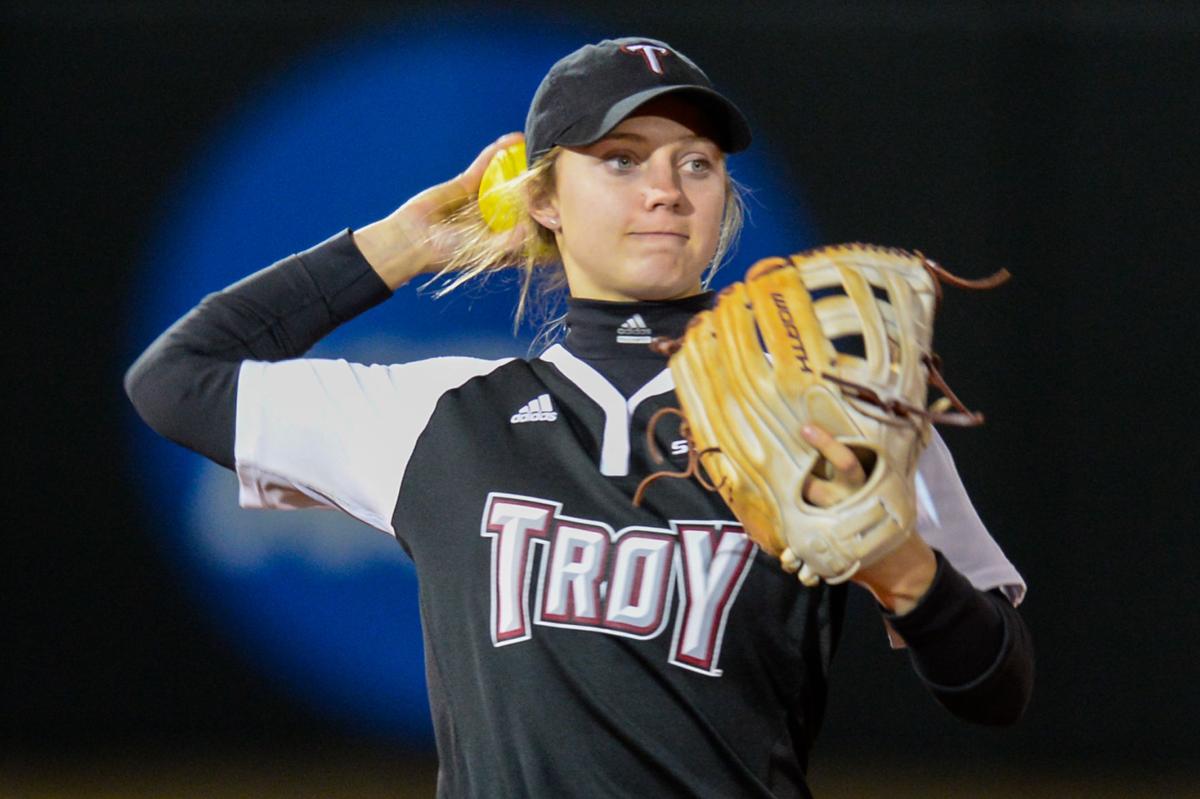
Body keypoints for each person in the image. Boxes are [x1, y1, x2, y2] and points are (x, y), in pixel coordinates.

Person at [126, 36, 1032, 798]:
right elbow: (176, 379)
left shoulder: (837, 408)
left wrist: (905, 570)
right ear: (544, 199)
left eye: (696, 163)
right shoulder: (439, 414)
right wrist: (401, 245)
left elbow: (999, 687)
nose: (666, 189)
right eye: (621, 158)